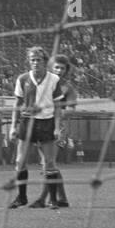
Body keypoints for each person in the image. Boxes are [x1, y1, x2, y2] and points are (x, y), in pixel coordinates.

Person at [7, 45, 61, 209]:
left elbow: (58, 106)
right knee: (20, 161)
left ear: (45, 61)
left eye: (38, 60)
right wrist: (13, 126)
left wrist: (57, 127)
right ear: (29, 62)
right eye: (32, 60)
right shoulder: (23, 79)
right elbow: (17, 104)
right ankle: (21, 197)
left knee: (49, 163)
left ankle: (53, 200)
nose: (35, 63)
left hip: (46, 122)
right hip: (27, 122)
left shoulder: (54, 79)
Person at [49, 54, 78, 207]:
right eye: (56, 67)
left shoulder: (68, 88)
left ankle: (56, 198)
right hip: (42, 125)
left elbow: (72, 110)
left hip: (59, 127)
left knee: (49, 163)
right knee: (47, 164)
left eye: (62, 68)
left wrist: (56, 112)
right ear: (51, 68)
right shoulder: (44, 84)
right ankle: (61, 198)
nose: (59, 71)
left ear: (66, 71)